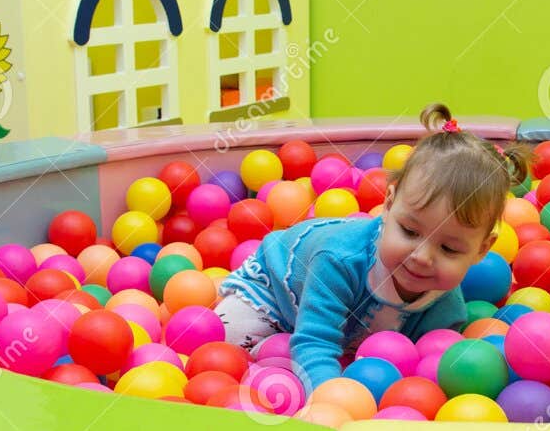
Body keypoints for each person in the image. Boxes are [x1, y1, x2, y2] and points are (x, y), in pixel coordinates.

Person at [214, 104, 532, 388]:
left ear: (481, 250)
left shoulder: (446, 302)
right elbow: (315, 342)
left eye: (449, 250)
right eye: (409, 231)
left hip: (335, 321)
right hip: (273, 291)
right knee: (224, 348)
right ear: (388, 205)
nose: (422, 257)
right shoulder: (339, 260)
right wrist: (333, 398)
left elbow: (422, 363)